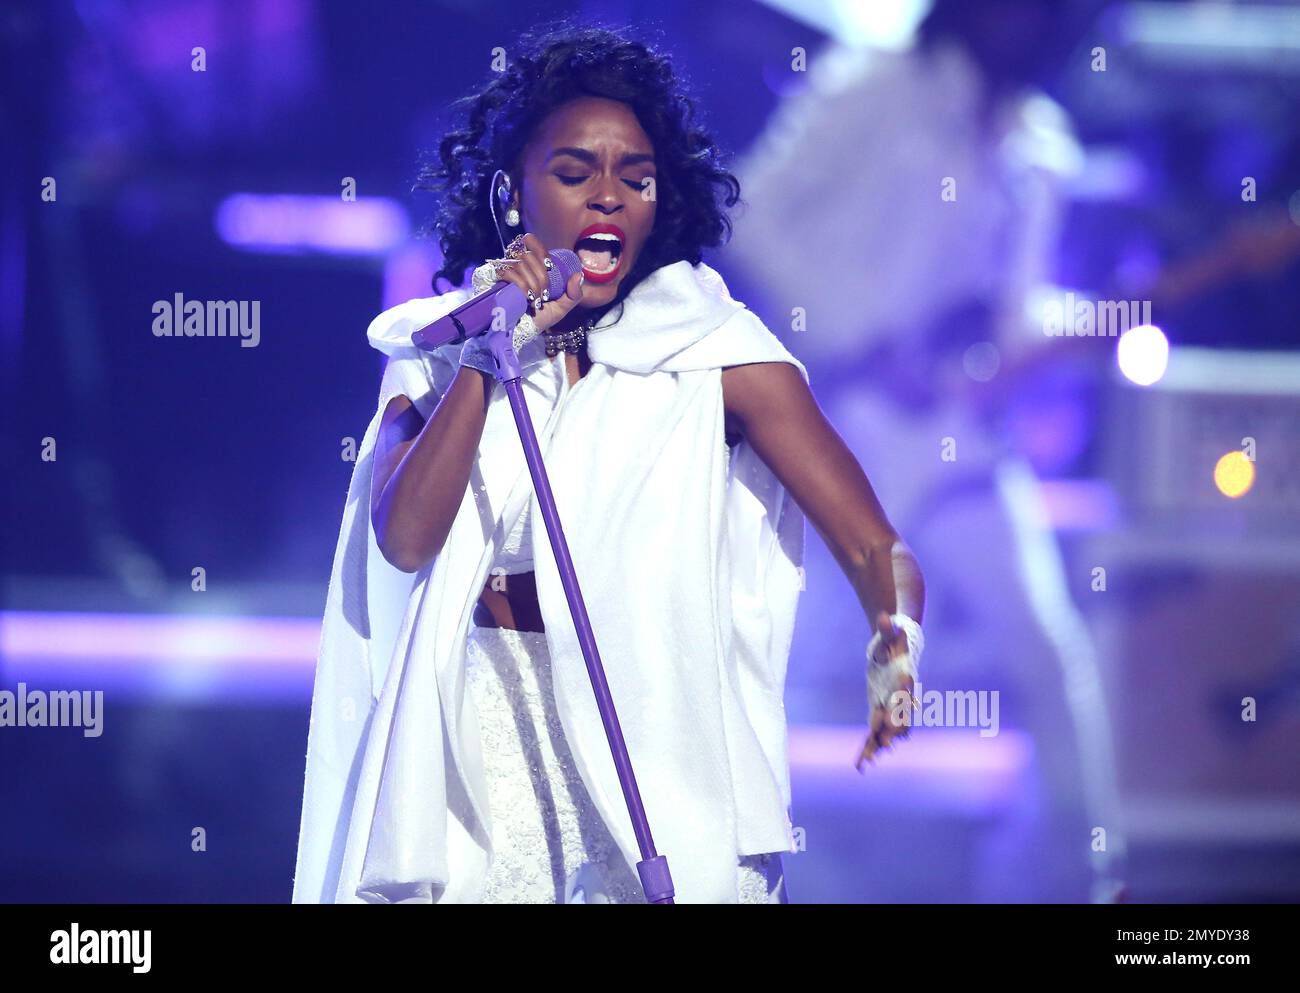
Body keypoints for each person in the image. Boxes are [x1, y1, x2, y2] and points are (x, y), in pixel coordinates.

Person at [292, 23, 925, 905]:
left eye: (636, 177)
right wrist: (496, 349)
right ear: (514, 195)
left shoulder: (713, 350)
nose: (608, 199)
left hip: (661, 737)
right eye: (574, 172)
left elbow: (871, 545)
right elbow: (405, 538)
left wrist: (897, 640)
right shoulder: (437, 352)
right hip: (491, 742)